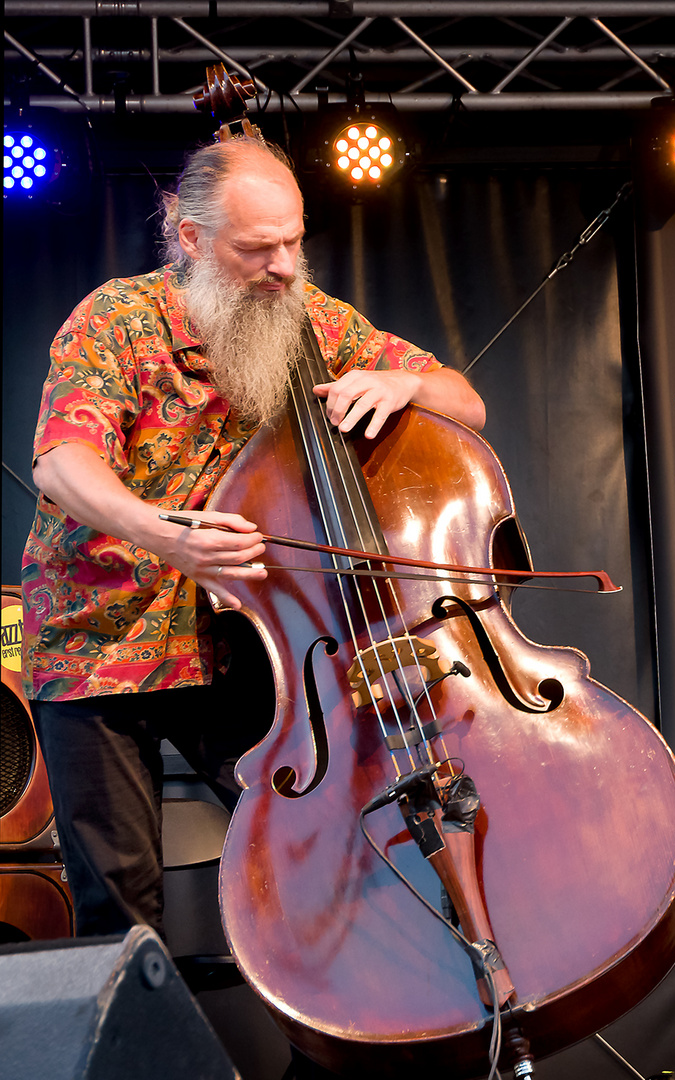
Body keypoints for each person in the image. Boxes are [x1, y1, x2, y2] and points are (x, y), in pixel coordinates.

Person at [22, 133, 486, 937]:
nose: (282, 266)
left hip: (254, 645)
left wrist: (405, 381)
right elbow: (63, 465)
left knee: (336, 852)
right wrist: (158, 533)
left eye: (294, 242)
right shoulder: (117, 320)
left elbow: (465, 403)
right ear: (192, 237)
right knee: (121, 907)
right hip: (99, 645)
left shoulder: (315, 321)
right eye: (257, 248)